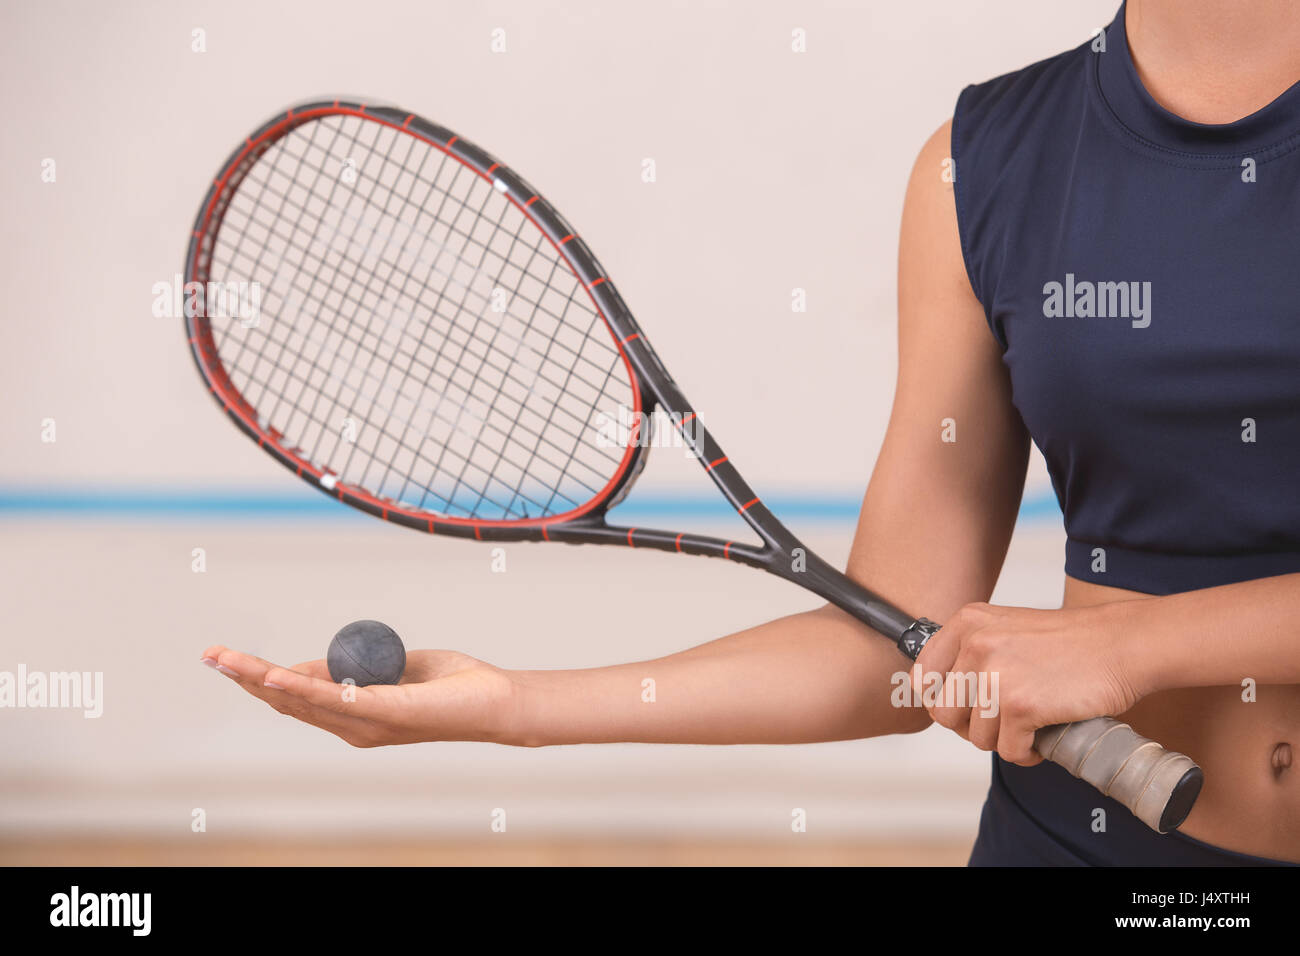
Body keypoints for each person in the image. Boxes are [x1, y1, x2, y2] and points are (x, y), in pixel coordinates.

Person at [201, 0, 1300, 865]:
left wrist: (1133, 644)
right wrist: (514, 706)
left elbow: (1106, 651)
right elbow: (893, 648)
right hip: (1075, 836)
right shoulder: (985, 163)